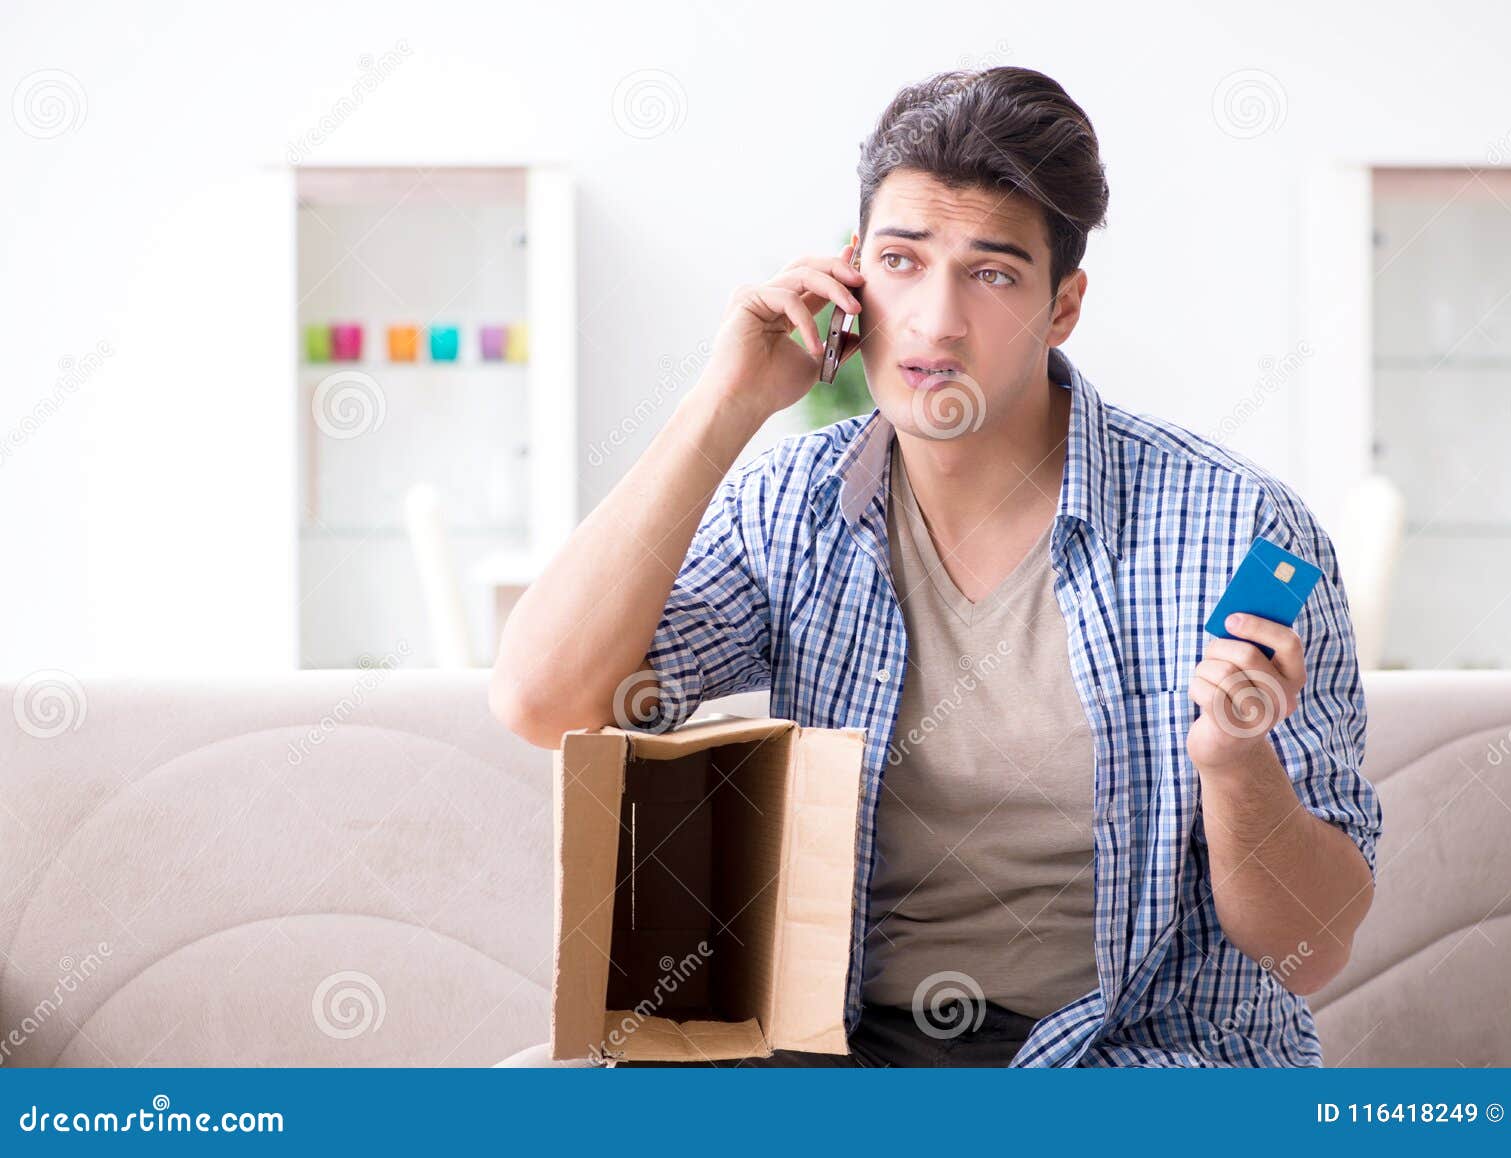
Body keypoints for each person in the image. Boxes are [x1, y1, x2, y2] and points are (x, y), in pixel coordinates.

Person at [490, 66, 1382, 1067]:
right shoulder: (789, 505)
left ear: (1062, 306)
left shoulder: (1241, 531)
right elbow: (542, 700)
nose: (936, 319)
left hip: (1136, 1059)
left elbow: (1309, 948)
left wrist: (1233, 763)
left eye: (992, 273)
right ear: (850, 278)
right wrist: (725, 405)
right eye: (902, 262)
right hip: (836, 1061)